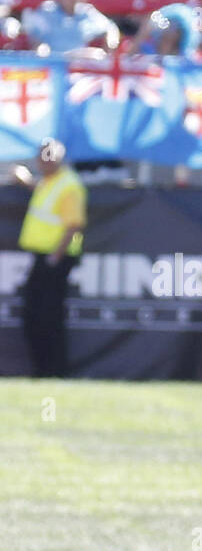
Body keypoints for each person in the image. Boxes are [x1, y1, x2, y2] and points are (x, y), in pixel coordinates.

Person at [12, 139, 86, 379]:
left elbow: (73, 225)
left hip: (56, 259)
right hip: (43, 257)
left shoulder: (69, 185)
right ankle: (42, 371)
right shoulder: (49, 182)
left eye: (46, 158)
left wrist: (55, 257)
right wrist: (26, 181)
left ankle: (53, 372)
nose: (42, 163)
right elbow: (45, 196)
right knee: (34, 315)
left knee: (48, 316)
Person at [22, 0, 119, 54]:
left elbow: (110, 27)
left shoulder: (86, 13)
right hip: (53, 65)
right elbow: (35, 40)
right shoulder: (47, 11)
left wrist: (110, 42)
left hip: (79, 66)